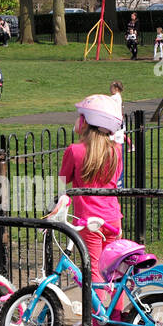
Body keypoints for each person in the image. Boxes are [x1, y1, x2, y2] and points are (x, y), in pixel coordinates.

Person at [59, 94, 124, 306]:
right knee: (114, 268)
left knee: (94, 269)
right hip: (113, 218)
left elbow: (63, 180)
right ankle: (117, 312)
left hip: (89, 220)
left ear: (86, 121)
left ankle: (95, 318)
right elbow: (116, 178)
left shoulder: (75, 150)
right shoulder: (116, 150)